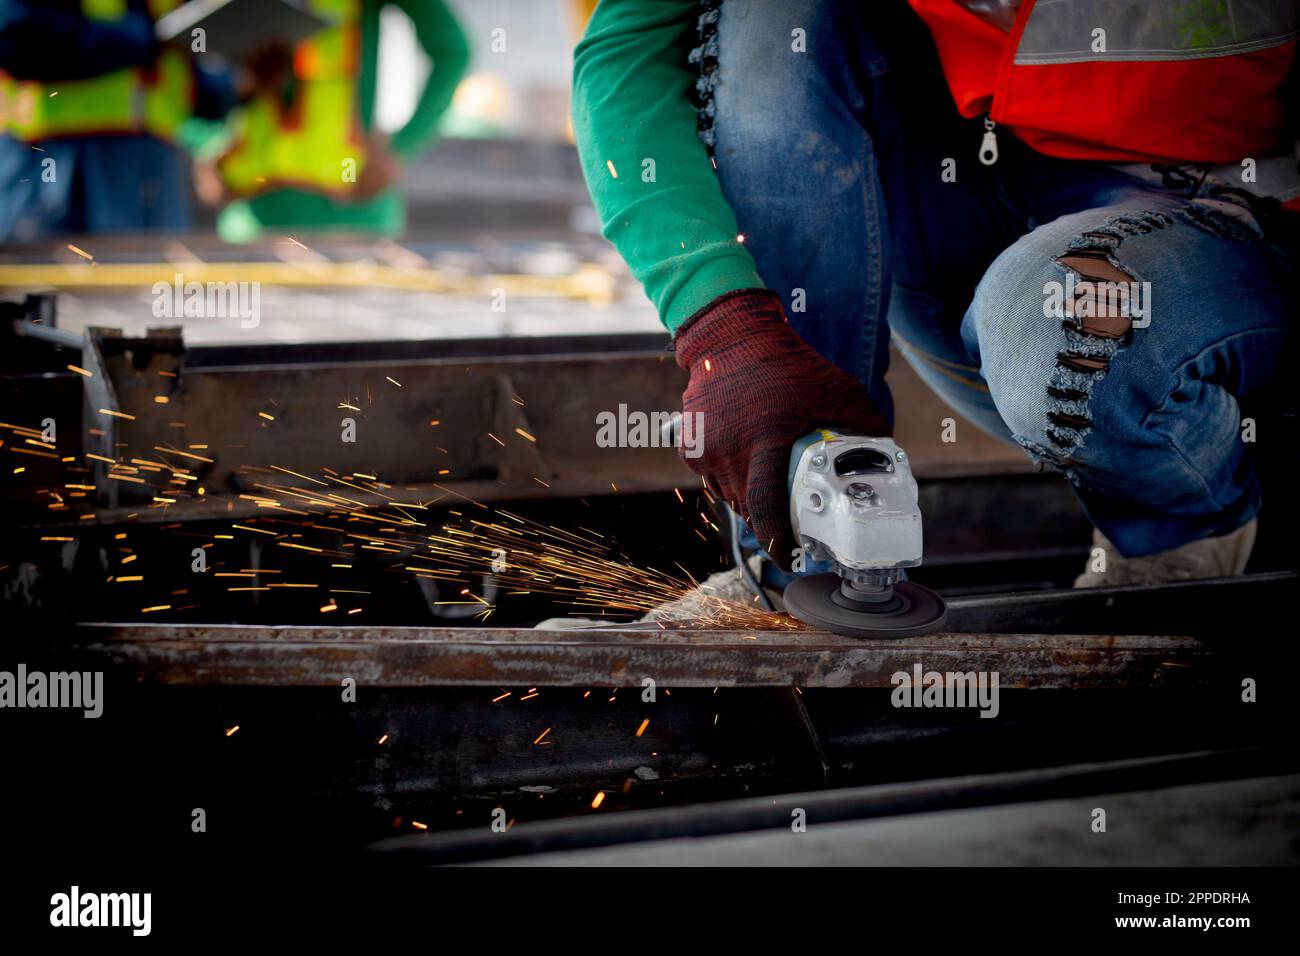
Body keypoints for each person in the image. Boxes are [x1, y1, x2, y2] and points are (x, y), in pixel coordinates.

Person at [572, 0, 1299, 591]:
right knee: (768, 16)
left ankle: (1177, 537)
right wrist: (721, 322)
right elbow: (631, 47)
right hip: (976, 193)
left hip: (1229, 225)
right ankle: (808, 555)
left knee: (1053, 314)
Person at [203, 0, 469, 242]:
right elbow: (178, 70)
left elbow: (452, 51)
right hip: (251, 215)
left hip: (349, 216)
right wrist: (206, 145)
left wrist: (401, 148)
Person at [0, 0, 239, 239]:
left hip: (155, 158)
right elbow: (15, 33)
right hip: (55, 154)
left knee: (150, 268)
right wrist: (136, 38)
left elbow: (174, 77)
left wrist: (237, 85)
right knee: (50, 268)